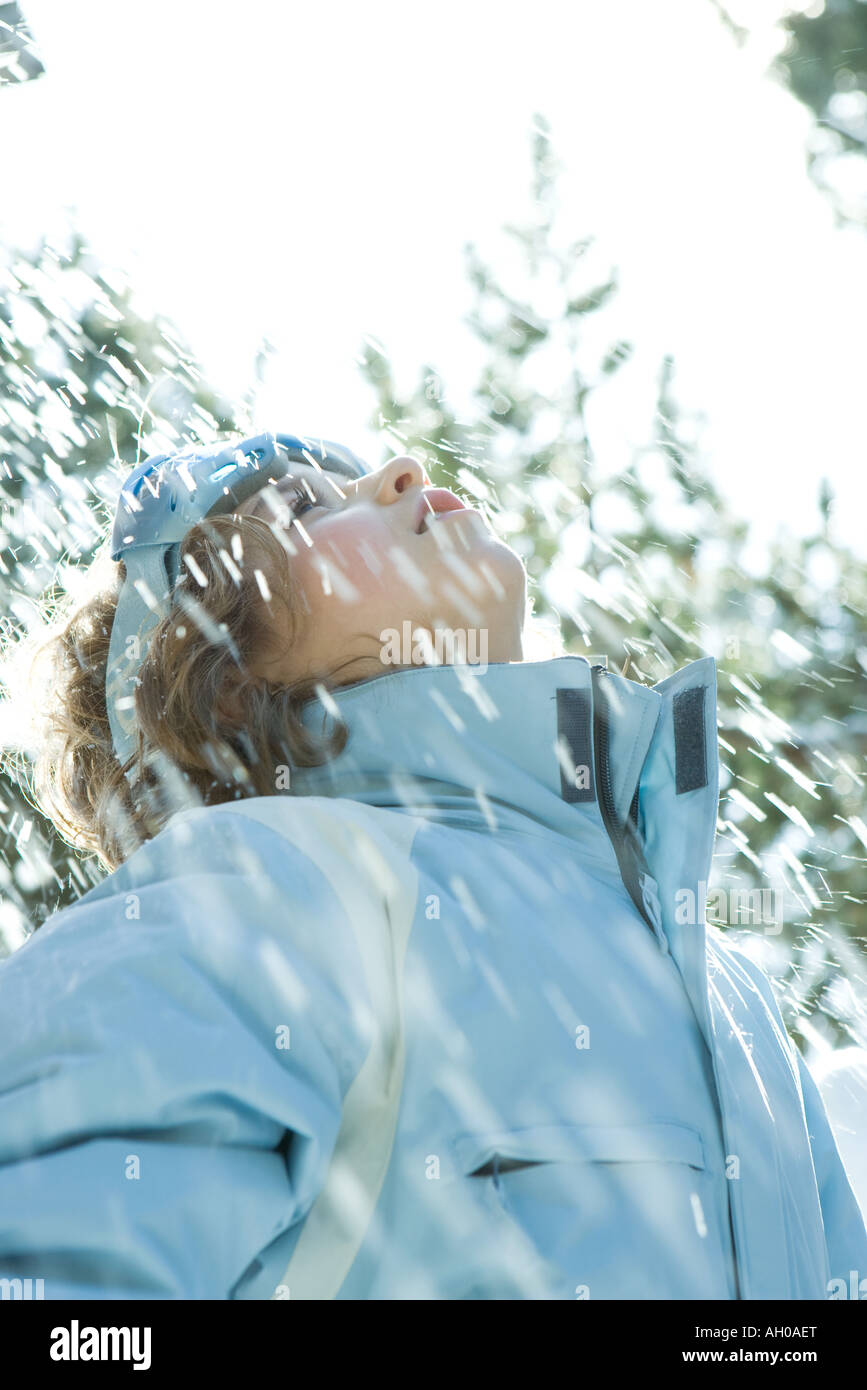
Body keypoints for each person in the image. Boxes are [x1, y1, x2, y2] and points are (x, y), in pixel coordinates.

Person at [0, 429, 863, 1301]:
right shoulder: (262, 894)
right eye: (304, 507)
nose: (402, 470)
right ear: (226, 682)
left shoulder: (724, 989)